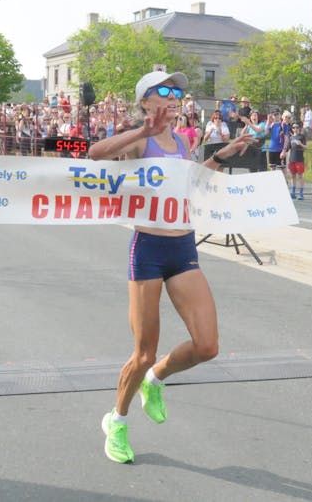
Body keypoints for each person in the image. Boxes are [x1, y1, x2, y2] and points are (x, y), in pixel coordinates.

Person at [88, 70, 255, 464]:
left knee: (207, 346)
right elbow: (95, 154)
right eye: (164, 90)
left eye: (177, 90)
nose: (174, 95)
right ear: (146, 101)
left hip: (182, 248)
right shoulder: (139, 140)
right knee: (143, 352)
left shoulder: (181, 141)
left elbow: (190, 183)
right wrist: (142, 131)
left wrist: (221, 156)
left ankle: (156, 379)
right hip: (148, 249)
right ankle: (117, 420)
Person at [286, 125, 308, 199]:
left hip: (299, 159)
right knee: (292, 176)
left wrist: (300, 144)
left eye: (297, 127)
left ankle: (301, 193)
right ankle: (293, 192)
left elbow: (306, 147)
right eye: (294, 127)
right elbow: (288, 148)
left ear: (299, 128)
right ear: (292, 129)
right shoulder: (291, 137)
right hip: (292, 159)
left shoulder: (302, 136)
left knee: (300, 176)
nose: (295, 129)